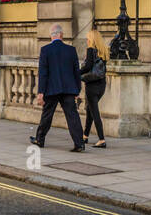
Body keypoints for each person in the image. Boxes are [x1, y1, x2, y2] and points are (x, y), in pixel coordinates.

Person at [31, 24, 85, 152]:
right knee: (73, 116)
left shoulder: (45, 50)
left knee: (47, 115)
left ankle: (40, 139)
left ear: (52, 35)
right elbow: (76, 72)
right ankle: (79, 143)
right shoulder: (71, 50)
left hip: (51, 88)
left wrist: (40, 92)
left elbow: (43, 73)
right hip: (69, 89)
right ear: (61, 35)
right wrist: (77, 89)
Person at [79, 28, 109, 148]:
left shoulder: (91, 50)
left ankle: (101, 139)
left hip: (91, 85)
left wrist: (77, 72)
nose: (86, 41)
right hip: (101, 85)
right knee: (90, 110)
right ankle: (85, 136)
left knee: (94, 112)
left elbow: (88, 66)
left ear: (91, 39)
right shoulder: (103, 51)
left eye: (87, 38)